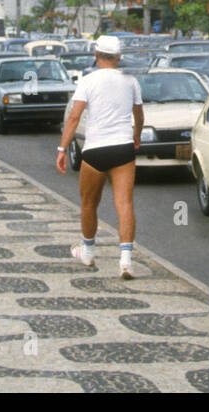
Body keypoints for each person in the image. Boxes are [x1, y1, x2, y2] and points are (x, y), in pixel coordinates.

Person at [56, 35, 144, 280]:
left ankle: (88, 251)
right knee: (124, 204)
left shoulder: (87, 80)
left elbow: (74, 117)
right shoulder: (131, 82)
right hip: (123, 148)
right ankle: (126, 261)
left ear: (95, 56)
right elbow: (139, 115)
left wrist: (62, 149)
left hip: (95, 149)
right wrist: (136, 136)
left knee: (89, 203)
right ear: (118, 58)